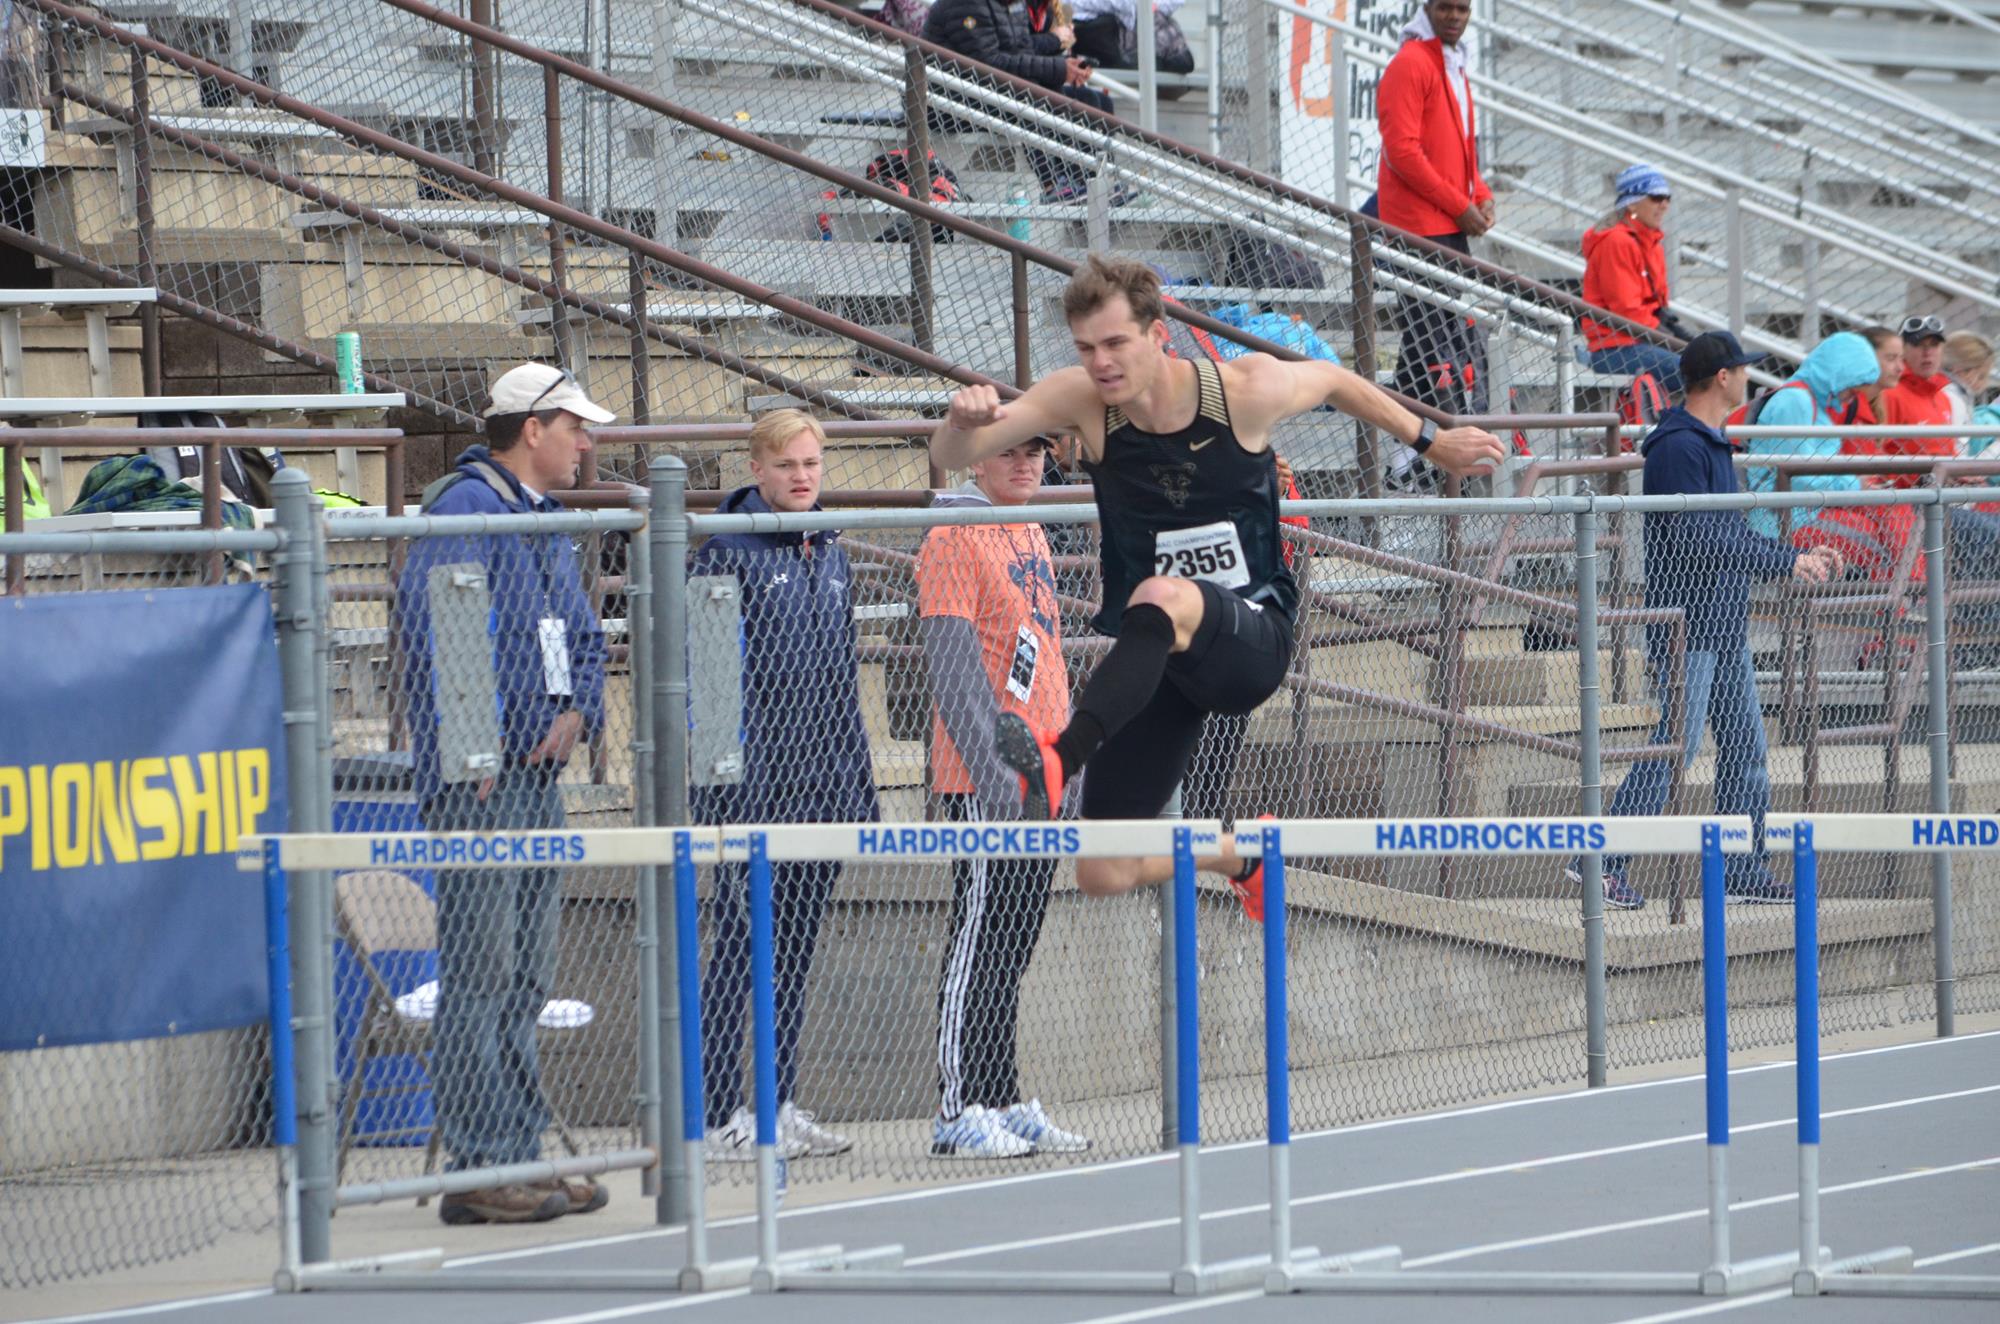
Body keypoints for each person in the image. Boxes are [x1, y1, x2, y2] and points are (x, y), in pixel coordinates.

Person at [930, 255, 1505, 916]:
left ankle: (1061, 760)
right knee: (1102, 870)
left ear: (1156, 333)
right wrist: (961, 424)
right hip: (1159, 665)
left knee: (1162, 595)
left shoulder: (1239, 391)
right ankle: (1240, 853)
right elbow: (951, 459)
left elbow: (1334, 379)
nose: (1102, 364)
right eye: (1087, 348)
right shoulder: (1080, 400)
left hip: (1251, 639)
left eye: (1117, 343)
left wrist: (1430, 441)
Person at [393, 363, 614, 1225]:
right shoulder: (462, 511)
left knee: (524, 974)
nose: (587, 443)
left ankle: (516, 1149)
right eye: (576, 428)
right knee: (482, 974)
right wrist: (475, 751)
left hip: (535, 778)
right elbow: (439, 631)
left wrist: (579, 710)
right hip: (480, 786)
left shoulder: (545, 520)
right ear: (535, 429)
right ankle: (480, 1167)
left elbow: (585, 641)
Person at [1579, 333, 1842, 910]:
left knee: (1746, 747)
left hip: (1722, 625)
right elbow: (1699, 538)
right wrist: (1783, 560)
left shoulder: (1711, 443)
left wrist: (1796, 554)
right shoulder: (1679, 446)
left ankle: (1744, 870)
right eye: (1742, 369)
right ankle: (1599, 861)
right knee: (1675, 746)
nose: (1748, 378)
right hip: (1688, 626)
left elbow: (1732, 532)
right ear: (1722, 377)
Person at [690, 409, 878, 1164]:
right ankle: (714, 1114)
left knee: (794, 954)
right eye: (787, 466)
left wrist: (853, 789)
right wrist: (724, 788)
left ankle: (778, 1102)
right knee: (740, 950)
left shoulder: (828, 549)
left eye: (811, 464)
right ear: (758, 469)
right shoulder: (722, 555)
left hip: (819, 787)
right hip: (751, 792)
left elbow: (842, 683)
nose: (802, 477)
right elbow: (709, 683)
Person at [918, 435, 1092, 1159]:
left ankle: (1001, 1095)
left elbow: (1042, 656)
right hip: (986, 783)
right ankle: (958, 1109)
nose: (1027, 464)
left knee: (1014, 946)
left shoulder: (1028, 523)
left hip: (1044, 773)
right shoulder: (953, 532)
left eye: (1037, 452)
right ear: (976, 461)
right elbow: (954, 667)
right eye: (1011, 453)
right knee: (979, 938)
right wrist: (996, 776)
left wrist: (1068, 765)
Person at [1375, 0, 1493, 432]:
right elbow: (1402, 151)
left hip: (1445, 225)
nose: (1455, 17)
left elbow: (1461, 146)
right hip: (1419, 229)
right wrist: (1459, 204)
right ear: (1427, 7)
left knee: (1428, 348)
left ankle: (1400, 459)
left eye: (1463, 9)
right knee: (1434, 351)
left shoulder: (1453, 63)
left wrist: (1479, 193)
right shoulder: (1410, 63)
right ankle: (1423, 459)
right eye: (1445, 7)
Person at [924, 0, 1115, 202]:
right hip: (942, 102)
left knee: (1069, 97)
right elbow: (988, 66)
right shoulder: (966, 5)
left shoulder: (1012, 4)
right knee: (1029, 97)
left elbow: (1022, 53)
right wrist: (1058, 67)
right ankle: (1053, 186)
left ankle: (1090, 183)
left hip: (981, 91)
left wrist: (1064, 68)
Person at [1739, 330, 1879, 538]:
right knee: (1871, 537)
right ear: (1837, 375)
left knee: (1880, 527)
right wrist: (1854, 485)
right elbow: (1797, 475)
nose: (1853, 397)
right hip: (1779, 523)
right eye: (1852, 388)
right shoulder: (1796, 401)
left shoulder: (1814, 403)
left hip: (1802, 513)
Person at [1580, 164, 1685, 394]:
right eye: (1656, 197)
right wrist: (1669, 338)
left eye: (1667, 198)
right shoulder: (1616, 241)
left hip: (1642, 341)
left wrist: (1678, 334)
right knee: (1696, 370)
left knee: (1711, 362)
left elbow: (1655, 307)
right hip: (1614, 348)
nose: (1664, 204)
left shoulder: (1651, 242)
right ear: (1632, 203)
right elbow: (1626, 311)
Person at [1943, 330, 1995, 431]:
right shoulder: (1953, 398)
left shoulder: (1958, 394)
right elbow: (1962, 442)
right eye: (1981, 376)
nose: (1985, 383)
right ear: (1960, 371)